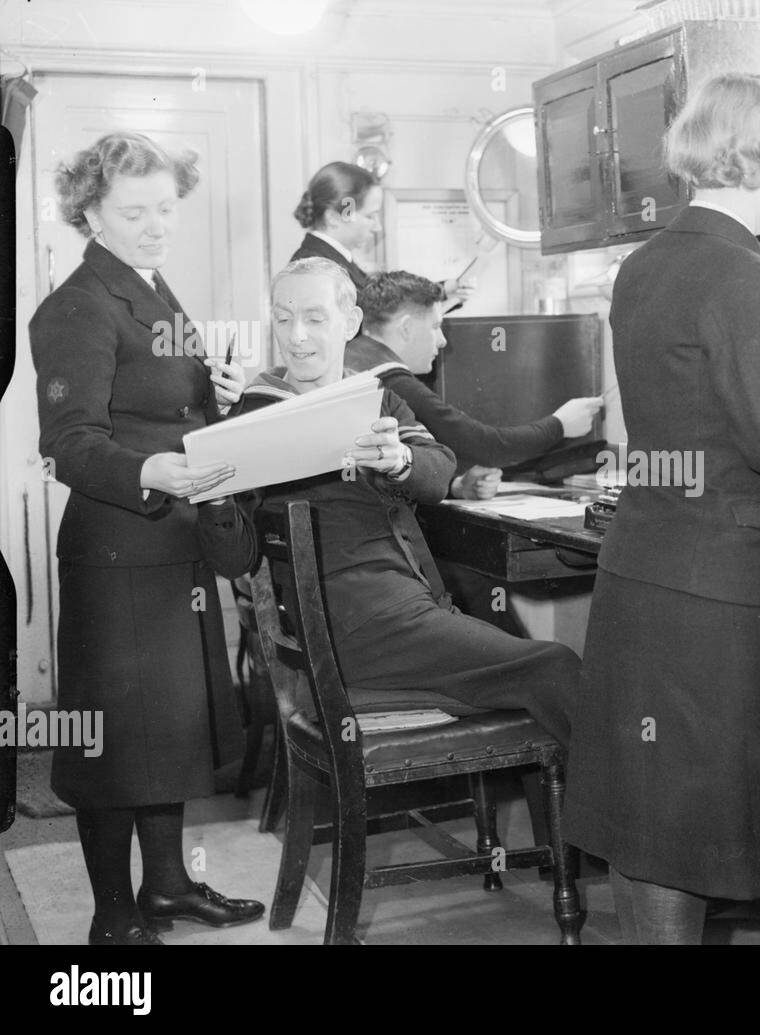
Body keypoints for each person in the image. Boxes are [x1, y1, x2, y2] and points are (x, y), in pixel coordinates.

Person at [561, 74, 760, 944]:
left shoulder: (645, 264)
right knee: (690, 816)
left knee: (651, 812)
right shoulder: (746, 272)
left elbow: (698, 395)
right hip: (709, 583)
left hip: (646, 563)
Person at [29, 131, 264, 945]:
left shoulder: (152, 289)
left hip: (173, 551)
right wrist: (150, 472)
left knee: (167, 728)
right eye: (136, 211)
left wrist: (220, 395)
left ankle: (165, 885)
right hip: (119, 555)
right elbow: (69, 442)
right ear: (89, 211)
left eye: (166, 207)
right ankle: (113, 913)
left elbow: (167, 403)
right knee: (114, 742)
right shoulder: (75, 306)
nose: (158, 224)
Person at [201, 257, 577, 745]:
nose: (295, 336)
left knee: (533, 665)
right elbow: (232, 558)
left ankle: (580, 813)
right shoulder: (253, 414)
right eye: (282, 318)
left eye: (314, 319)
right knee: (552, 666)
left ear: (350, 323)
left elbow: (438, 471)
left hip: (398, 613)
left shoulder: (374, 398)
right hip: (360, 629)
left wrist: (399, 459)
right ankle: (613, 819)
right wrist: (213, 497)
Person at [347, 270, 604, 502]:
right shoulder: (390, 380)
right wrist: (560, 425)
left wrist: (455, 486)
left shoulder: (355, 361)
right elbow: (486, 446)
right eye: (435, 326)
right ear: (405, 328)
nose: (442, 340)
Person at [290, 162, 472, 310]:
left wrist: (444, 290)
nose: (377, 227)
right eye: (369, 216)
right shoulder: (314, 269)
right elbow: (373, 319)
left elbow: (380, 302)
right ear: (333, 217)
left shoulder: (333, 260)